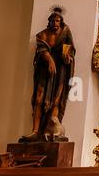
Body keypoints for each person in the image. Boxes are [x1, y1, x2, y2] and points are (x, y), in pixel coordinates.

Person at [26, 9, 76, 141]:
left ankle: (53, 129)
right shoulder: (43, 34)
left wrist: (67, 56)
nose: (55, 23)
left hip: (60, 71)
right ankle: (35, 130)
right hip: (45, 70)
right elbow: (41, 48)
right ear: (49, 22)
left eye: (58, 21)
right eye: (53, 21)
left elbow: (70, 48)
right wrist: (48, 58)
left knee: (56, 100)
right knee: (38, 98)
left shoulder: (65, 32)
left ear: (61, 22)